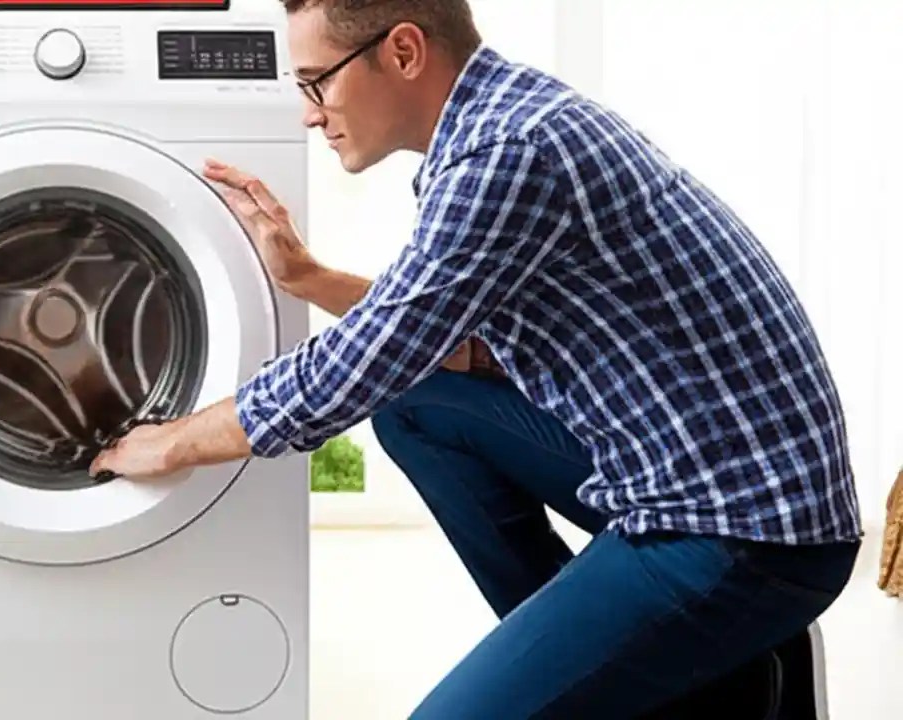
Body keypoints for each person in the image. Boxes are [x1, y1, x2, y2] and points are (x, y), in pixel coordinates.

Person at [91, 0, 863, 716]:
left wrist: (168, 440)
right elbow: (459, 347)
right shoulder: (506, 117)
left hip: (743, 533)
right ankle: (647, 666)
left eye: (316, 82)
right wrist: (307, 278)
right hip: (690, 472)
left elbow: (357, 366)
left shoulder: (508, 152)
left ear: (401, 51)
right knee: (419, 406)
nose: (307, 113)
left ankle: (652, 657)